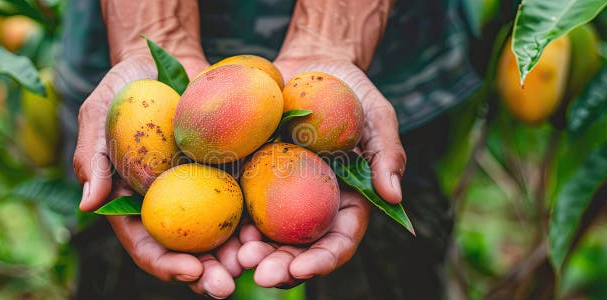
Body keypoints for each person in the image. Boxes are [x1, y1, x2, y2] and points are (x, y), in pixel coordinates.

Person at [55, 0, 480, 299]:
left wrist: (330, 40)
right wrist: (149, 34)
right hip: (129, 37)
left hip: (391, 58)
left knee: (385, 280)